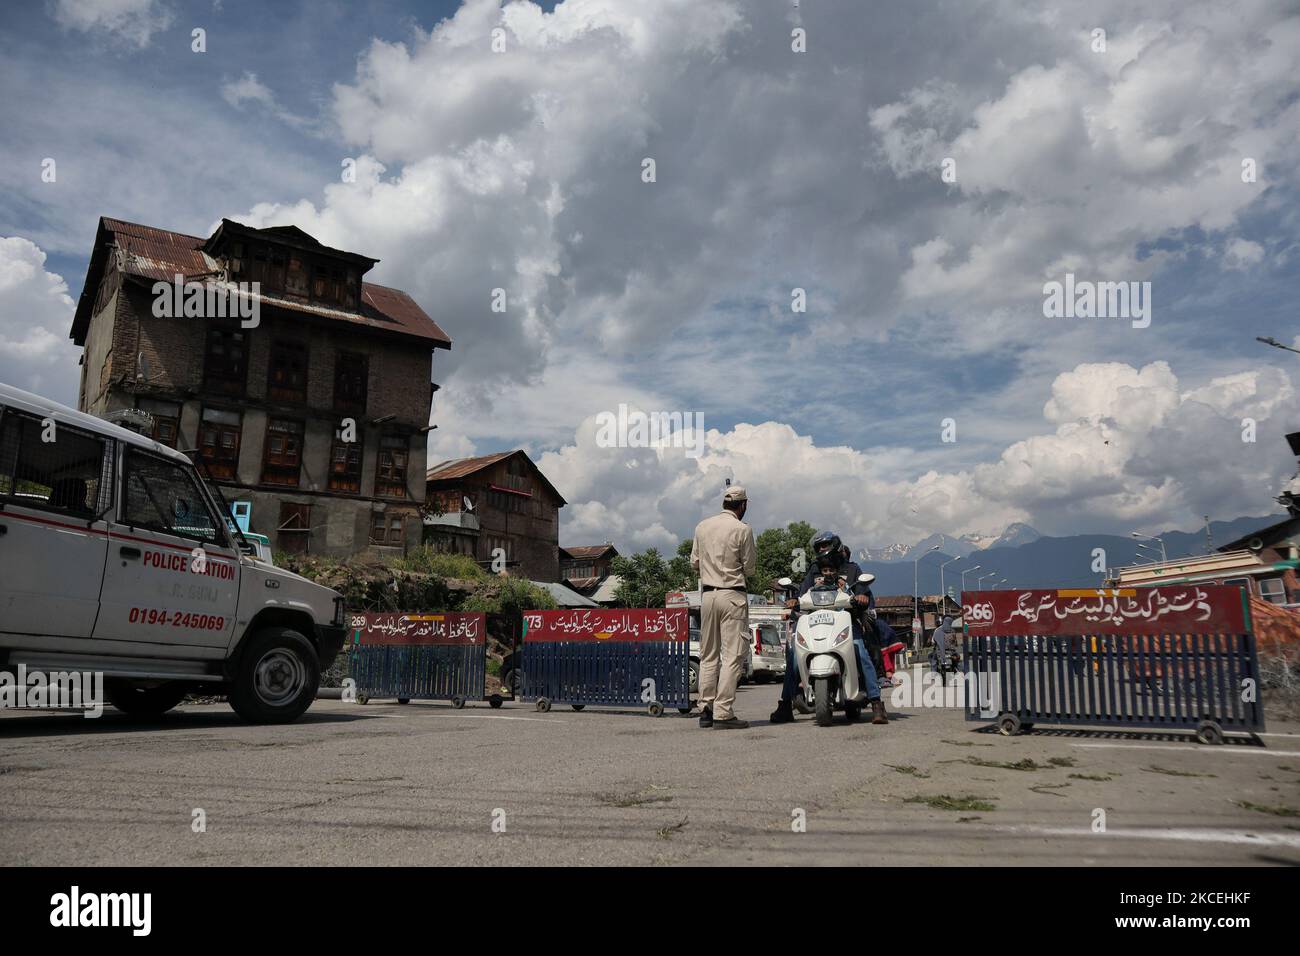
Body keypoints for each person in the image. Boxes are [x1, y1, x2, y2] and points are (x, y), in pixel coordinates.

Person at [770, 532, 888, 725]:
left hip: (846, 620)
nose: (823, 549)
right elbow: (802, 594)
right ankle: (785, 705)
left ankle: (876, 703)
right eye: (819, 546)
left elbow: (863, 591)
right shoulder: (814, 570)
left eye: (826, 545)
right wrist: (794, 601)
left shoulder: (852, 569)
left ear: (835, 545)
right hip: (816, 622)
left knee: (861, 651)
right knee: (793, 656)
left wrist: (862, 597)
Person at [689, 484, 756, 730]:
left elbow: (694, 563)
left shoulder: (702, 526)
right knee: (733, 656)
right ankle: (723, 711)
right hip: (732, 595)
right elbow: (749, 567)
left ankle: (705, 708)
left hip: (707, 596)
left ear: (724, 503)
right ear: (743, 505)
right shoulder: (742, 529)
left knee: (708, 655)